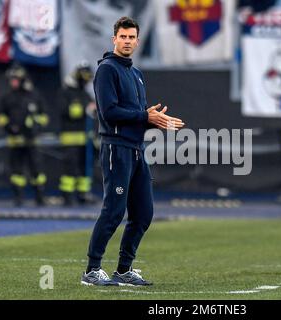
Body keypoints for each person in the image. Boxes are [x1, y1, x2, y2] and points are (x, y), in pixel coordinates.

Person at [81, 17, 185, 286]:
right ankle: (92, 270)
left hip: (137, 150)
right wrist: (145, 117)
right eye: (123, 37)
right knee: (114, 211)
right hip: (116, 149)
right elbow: (110, 112)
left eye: (131, 37)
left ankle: (124, 270)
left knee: (143, 214)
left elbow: (140, 115)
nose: (127, 41)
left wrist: (157, 121)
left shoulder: (136, 74)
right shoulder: (107, 69)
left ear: (138, 41)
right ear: (114, 38)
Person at [0, 64, 49, 207]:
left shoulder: (34, 95)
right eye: (11, 79)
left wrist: (35, 124)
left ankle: (39, 197)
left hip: (32, 140)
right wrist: (8, 127)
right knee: (16, 172)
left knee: (36, 171)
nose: (12, 82)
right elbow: (0, 116)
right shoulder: (7, 97)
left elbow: (44, 116)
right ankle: (18, 197)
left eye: (15, 79)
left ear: (22, 79)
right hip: (15, 141)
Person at [58, 61, 97, 206]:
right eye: (86, 78)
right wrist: (83, 110)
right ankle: (67, 196)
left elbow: (92, 107)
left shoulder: (84, 92)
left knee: (84, 168)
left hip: (85, 139)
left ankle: (83, 194)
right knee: (70, 168)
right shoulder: (66, 92)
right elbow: (65, 111)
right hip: (70, 139)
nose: (87, 81)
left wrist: (93, 109)